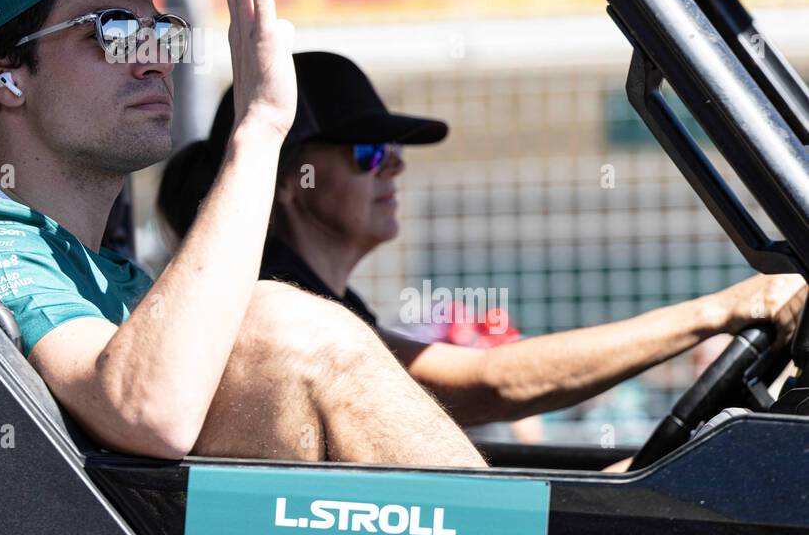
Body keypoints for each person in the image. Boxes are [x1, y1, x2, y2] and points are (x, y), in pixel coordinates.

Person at [0, 0, 486, 466]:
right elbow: (148, 412)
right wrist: (259, 128)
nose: (153, 59)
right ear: (5, 77)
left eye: (161, 34)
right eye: (117, 32)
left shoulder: (117, 277)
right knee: (283, 321)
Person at [158, 51, 808, 429]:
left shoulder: (326, 301)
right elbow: (484, 386)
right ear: (287, 176)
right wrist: (720, 310)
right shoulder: (273, 300)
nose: (396, 167)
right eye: (369, 153)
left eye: (393, 152)